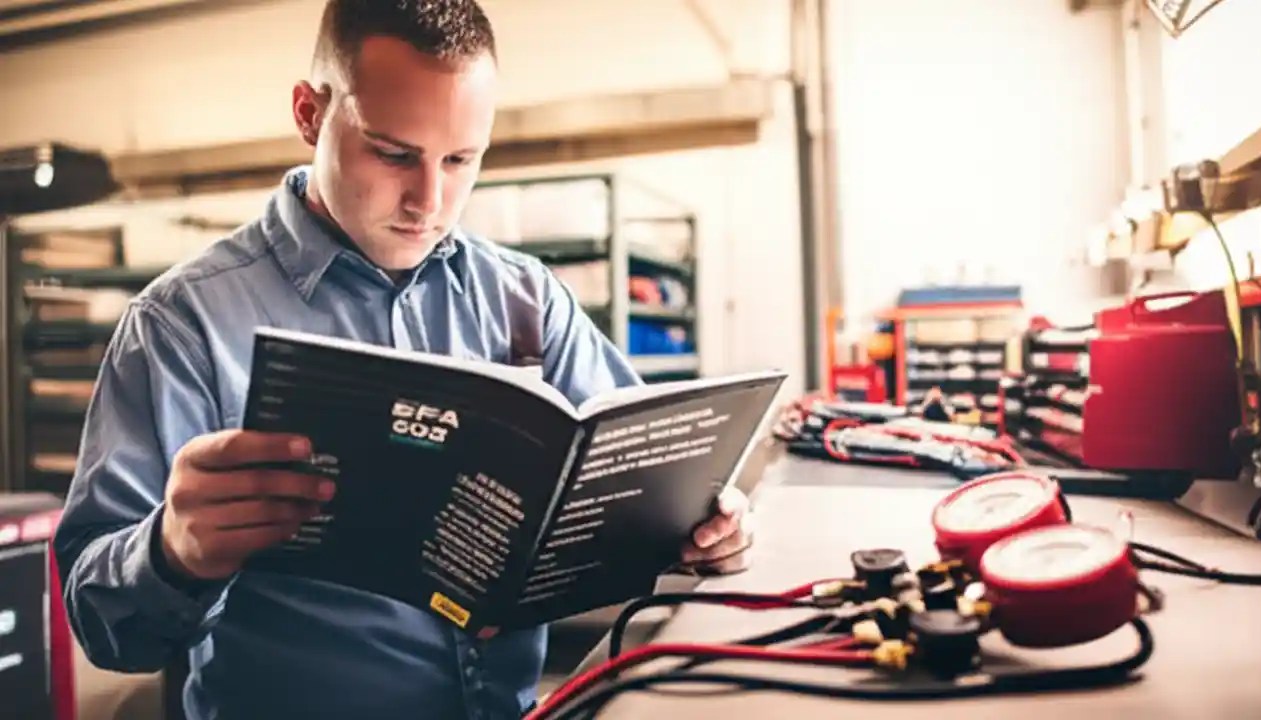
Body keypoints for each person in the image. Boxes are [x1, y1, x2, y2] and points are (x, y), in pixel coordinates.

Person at [52, 1, 756, 718]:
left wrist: (704, 521)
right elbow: (104, 628)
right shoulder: (184, 324)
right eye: (392, 154)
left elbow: (642, 470)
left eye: (460, 160)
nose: (429, 200)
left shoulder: (525, 298)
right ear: (308, 113)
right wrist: (172, 551)